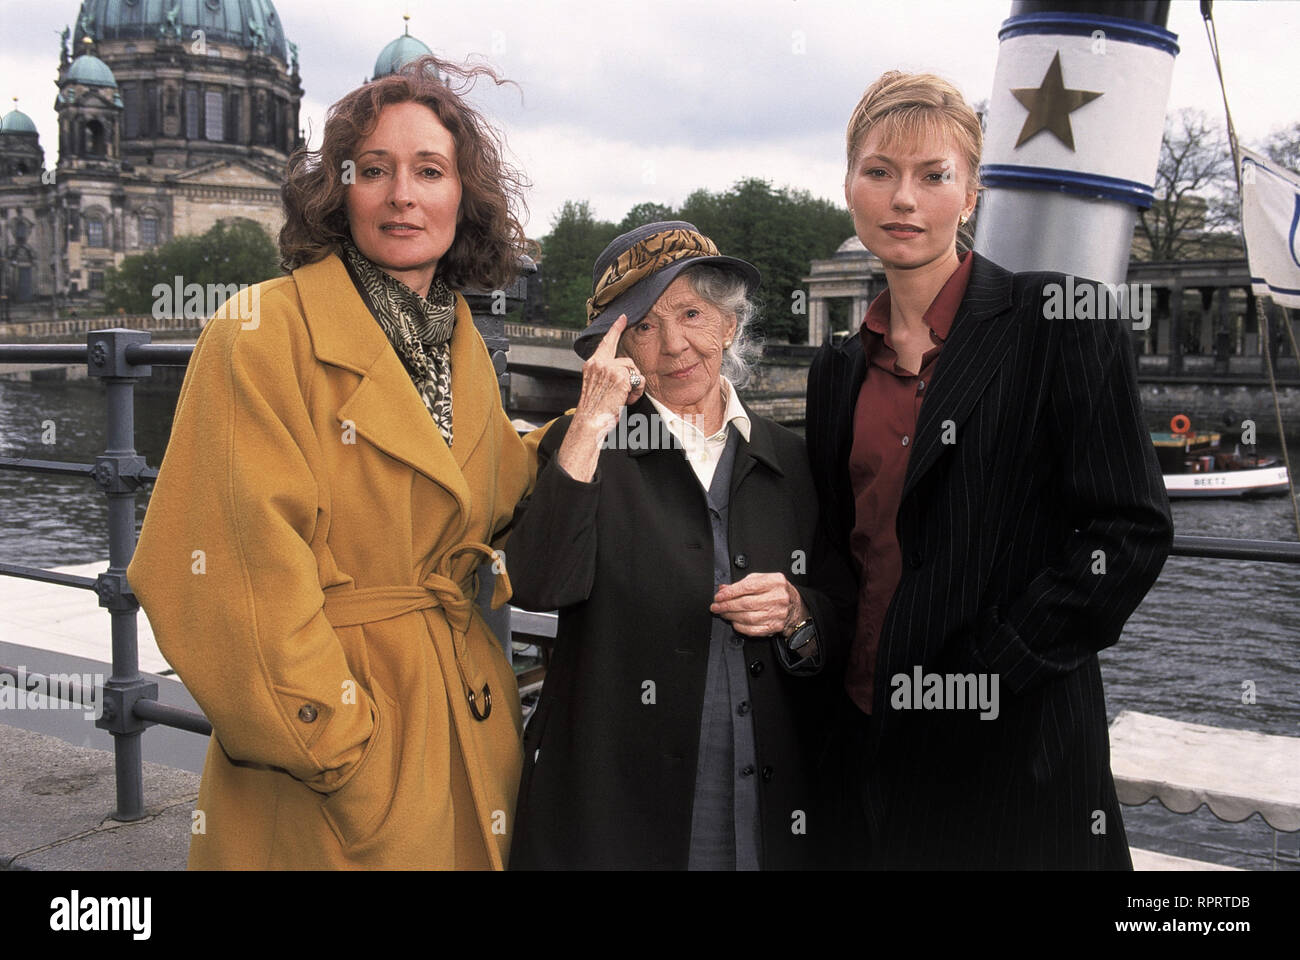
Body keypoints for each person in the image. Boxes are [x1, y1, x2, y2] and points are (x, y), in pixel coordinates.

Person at [128, 56, 538, 869]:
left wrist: (594, 423)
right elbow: (217, 581)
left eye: (431, 171)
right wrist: (345, 753)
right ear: (336, 190)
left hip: (461, 724)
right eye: (374, 170)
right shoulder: (260, 333)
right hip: (333, 767)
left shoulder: (456, 342)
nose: (403, 196)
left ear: (465, 196)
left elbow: (491, 491)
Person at [804, 71, 1174, 869]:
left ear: (970, 195)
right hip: (867, 733)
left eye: (934, 176)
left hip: (1016, 745)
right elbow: (843, 550)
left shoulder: (1060, 322)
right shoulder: (835, 369)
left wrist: (989, 678)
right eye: (880, 172)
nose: (905, 199)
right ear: (849, 187)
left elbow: (1130, 532)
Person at [504, 221, 855, 870]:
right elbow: (539, 583)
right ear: (620, 349)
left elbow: (841, 611)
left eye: (691, 313)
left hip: (768, 808)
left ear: (728, 324)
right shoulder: (584, 450)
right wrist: (588, 423)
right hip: (617, 816)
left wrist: (798, 612)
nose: (672, 345)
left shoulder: (794, 461)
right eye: (642, 325)